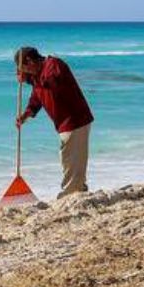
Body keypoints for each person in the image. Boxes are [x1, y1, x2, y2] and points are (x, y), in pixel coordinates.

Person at [14, 47, 94, 199]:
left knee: (71, 158)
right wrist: (26, 115)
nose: (24, 72)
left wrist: (30, 80)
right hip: (65, 123)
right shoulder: (37, 76)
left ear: (29, 62)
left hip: (75, 119)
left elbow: (53, 83)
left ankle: (70, 193)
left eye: (23, 68)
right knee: (69, 159)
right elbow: (37, 98)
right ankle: (79, 188)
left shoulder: (53, 64)